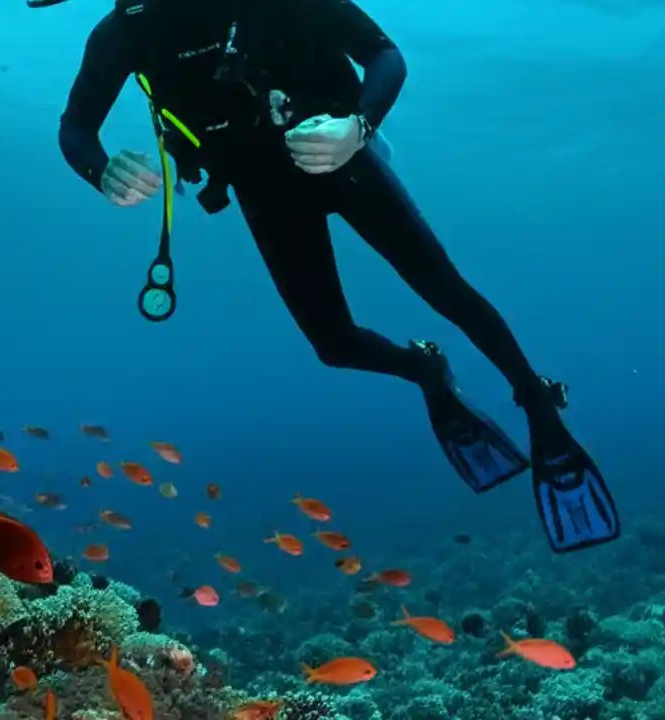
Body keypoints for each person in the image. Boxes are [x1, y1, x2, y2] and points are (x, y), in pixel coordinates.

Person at [53, 0, 620, 553]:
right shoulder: (125, 31)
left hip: (344, 160)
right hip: (263, 189)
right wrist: (98, 171)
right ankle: (423, 367)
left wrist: (360, 125)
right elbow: (76, 126)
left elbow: (383, 54)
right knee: (333, 343)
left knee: (444, 289)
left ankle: (536, 403)